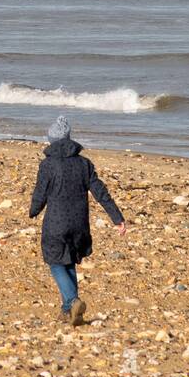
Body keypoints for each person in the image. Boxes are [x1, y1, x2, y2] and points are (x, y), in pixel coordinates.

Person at [29, 115, 126, 325]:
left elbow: (40, 193)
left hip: (56, 223)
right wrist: (117, 218)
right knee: (69, 262)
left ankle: (72, 301)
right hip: (79, 224)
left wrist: (34, 210)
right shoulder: (84, 164)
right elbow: (101, 192)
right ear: (69, 139)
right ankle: (68, 311)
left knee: (55, 262)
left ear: (51, 141)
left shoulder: (47, 165)